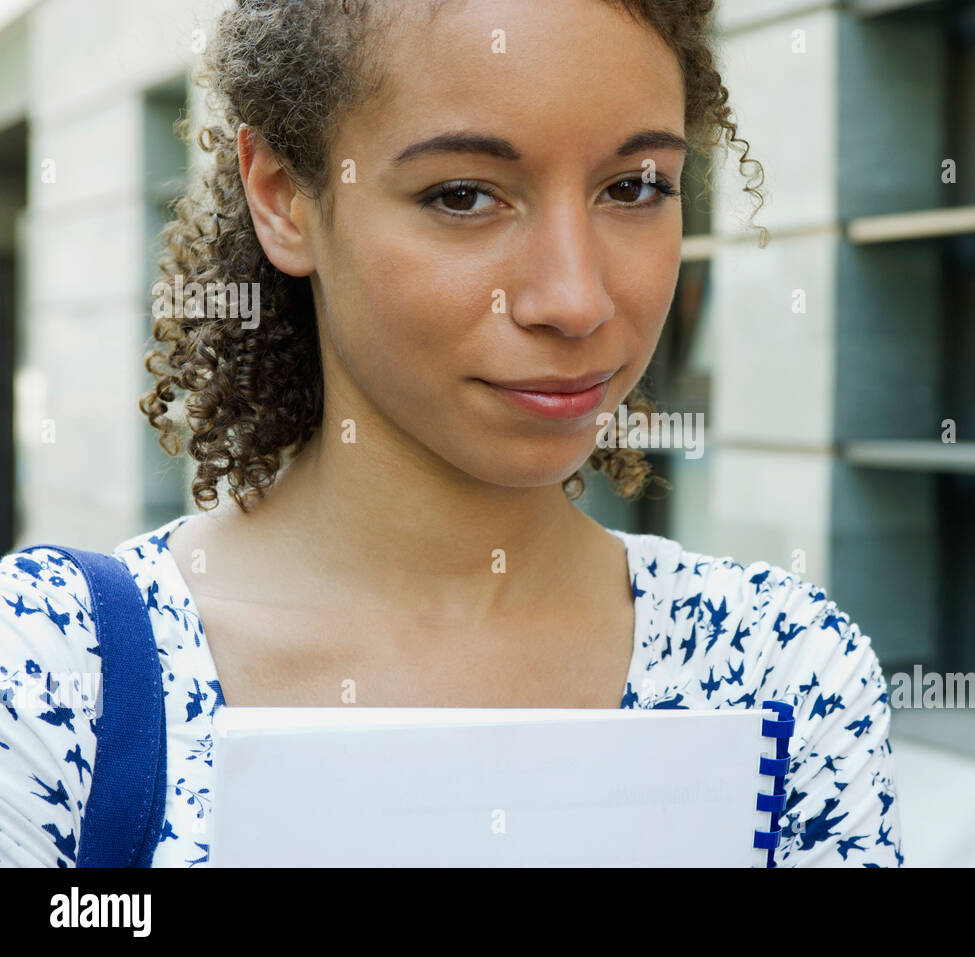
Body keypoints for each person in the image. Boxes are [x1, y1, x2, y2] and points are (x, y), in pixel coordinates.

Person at [0, 0, 902, 867]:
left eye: (633, 187)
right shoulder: (60, 675)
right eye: (465, 195)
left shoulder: (784, 673)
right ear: (283, 197)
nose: (575, 299)